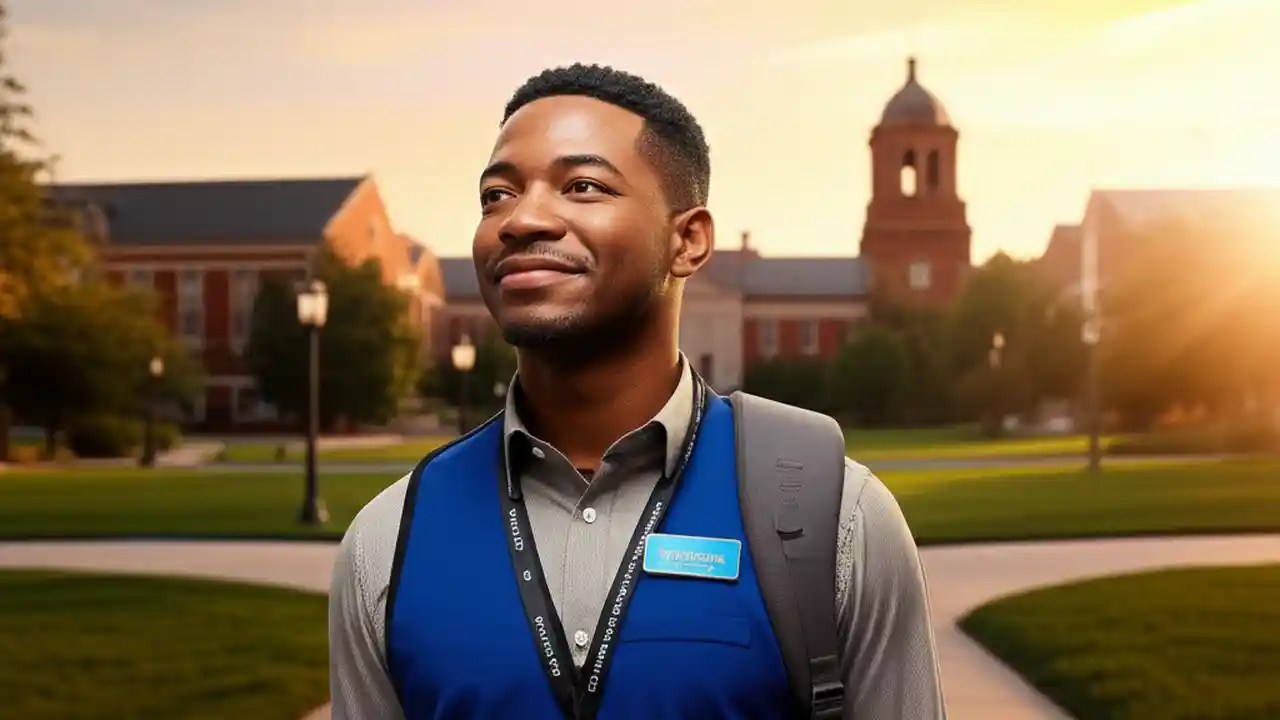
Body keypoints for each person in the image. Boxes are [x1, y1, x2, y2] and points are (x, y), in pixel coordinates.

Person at [329, 62, 945, 719]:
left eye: (583, 185)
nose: (520, 219)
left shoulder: (841, 526)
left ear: (689, 241)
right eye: (496, 195)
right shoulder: (385, 545)